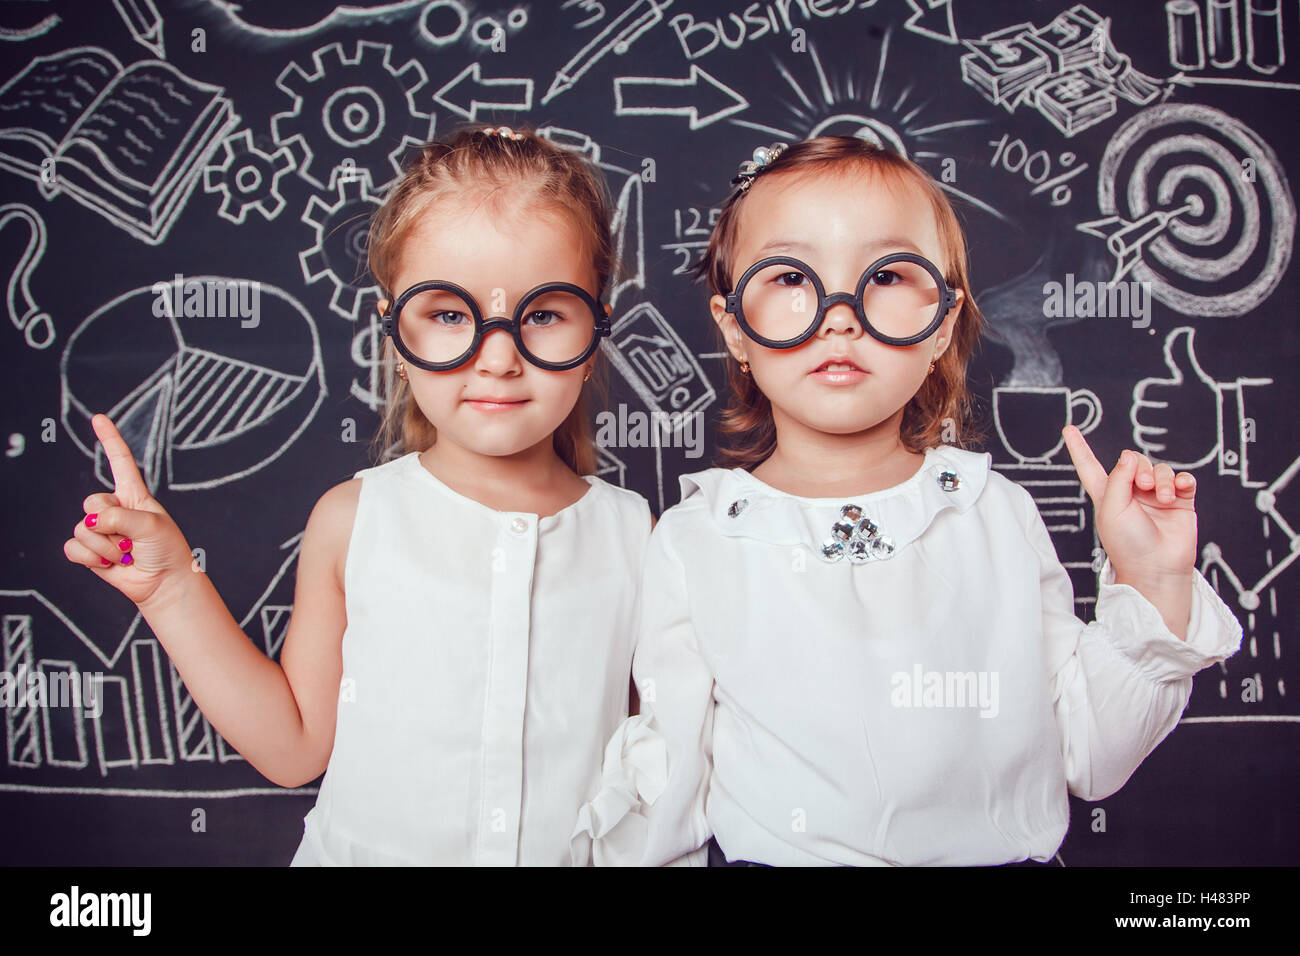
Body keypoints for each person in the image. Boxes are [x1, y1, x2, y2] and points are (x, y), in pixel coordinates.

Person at [569, 136, 1243, 867]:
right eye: (792, 274)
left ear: (942, 325)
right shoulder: (698, 537)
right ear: (736, 328)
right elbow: (671, 781)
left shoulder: (993, 512)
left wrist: (1154, 583)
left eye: (886, 273)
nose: (839, 313)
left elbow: (1091, 755)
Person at [63, 124, 652, 865]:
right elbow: (294, 749)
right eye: (448, 315)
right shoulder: (354, 521)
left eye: (542, 314)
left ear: (595, 323)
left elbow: (650, 769)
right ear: (394, 332)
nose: (498, 359)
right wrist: (171, 591)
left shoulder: (638, 536)